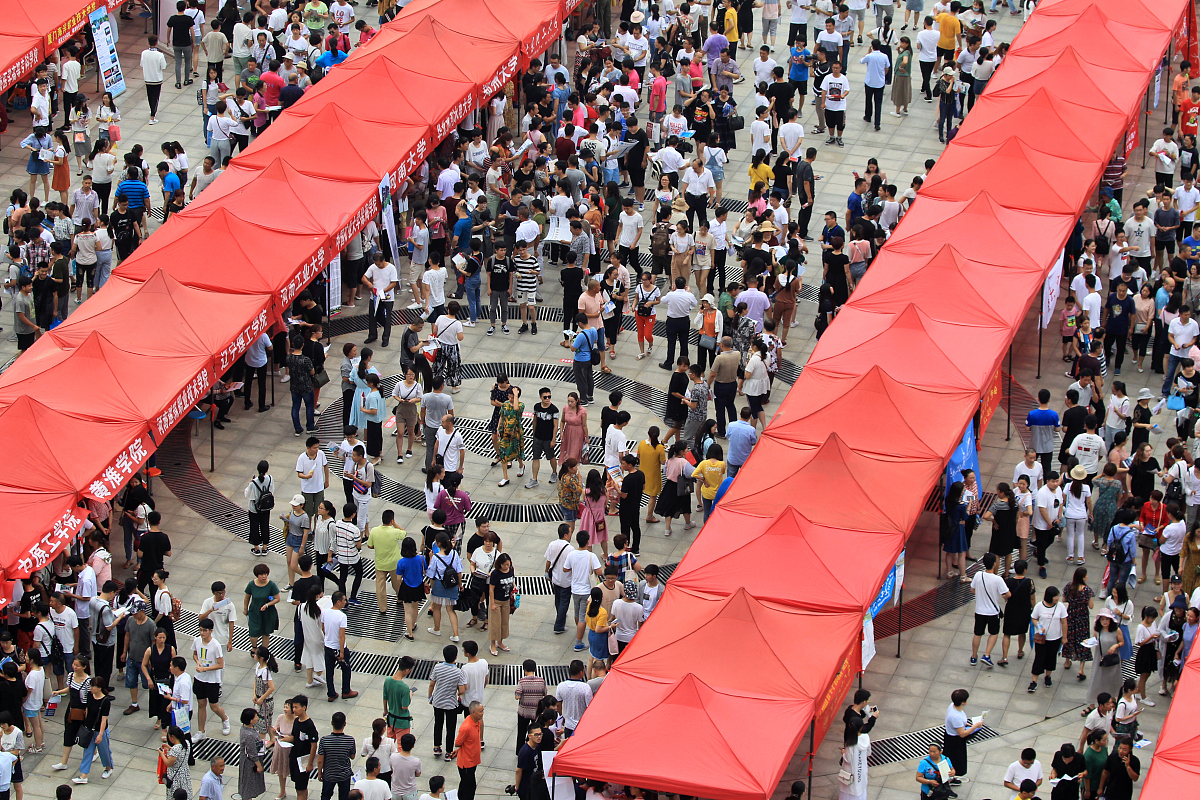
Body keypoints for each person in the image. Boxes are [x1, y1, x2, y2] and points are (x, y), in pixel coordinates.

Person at [190, 618, 230, 740]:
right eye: (201, 630)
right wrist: (198, 662)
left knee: (214, 706)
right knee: (201, 703)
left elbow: (220, 664)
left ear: (211, 631)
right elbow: (195, 654)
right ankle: (201, 731)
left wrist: (205, 669)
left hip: (212, 680)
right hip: (199, 678)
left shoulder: (215, 645)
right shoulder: (197, 641)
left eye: (205, 630)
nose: (202, 633)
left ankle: (225, 719)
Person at [427, 644, 467, 760]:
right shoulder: (459, 672)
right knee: (450, 728)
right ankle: (448, 752)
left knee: (438, 724)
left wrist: (430, 697)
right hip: (451, 704)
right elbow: (462, 690)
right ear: (456, 657)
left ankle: (436, 747)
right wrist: (459, 693)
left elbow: (432, 684)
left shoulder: (437, 667)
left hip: (437, 701)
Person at [1029, 585, 1068, 693]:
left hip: (1055, 638)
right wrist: (1039, 626)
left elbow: (1064, 622)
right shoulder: (1039, 606)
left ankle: (1048, 676)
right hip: (1041, 638)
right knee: (1039, 658)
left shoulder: (1060, 607)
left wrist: (1065, 637)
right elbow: (1034, 618)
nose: (1057, 598)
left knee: (1051, 657)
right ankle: (1034, 681)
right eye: (1056, 597)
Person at [321, 592, 357, 703]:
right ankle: (346, 690)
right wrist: (342, 651)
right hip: (338, 648)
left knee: (329, 670)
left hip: (328, 646)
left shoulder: (325, 612)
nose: (345, 602)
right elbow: (341, 636)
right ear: (338, 602)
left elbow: (323, 627)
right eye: (344, 600)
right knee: (346, 669)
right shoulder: (342, 616)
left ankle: (331, 693)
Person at [943, 689, 984, 783]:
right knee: (954, 762)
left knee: (951, 761)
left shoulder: (952, 707)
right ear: (963, 702)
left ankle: (950, 779)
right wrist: (975, 726)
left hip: (950, 736)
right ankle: (947, 783)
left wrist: (966, 725)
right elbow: (962, 734)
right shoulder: (956, 716)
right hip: (955, 741)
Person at [316, 711, 356, 800]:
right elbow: (352, 756)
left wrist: (319, 773)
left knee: (325, 796)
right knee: (344, 797)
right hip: (344, 775)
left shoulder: (324, 740)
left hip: (329, 774)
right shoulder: (350, 740)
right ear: (344, 724)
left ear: (332, 723)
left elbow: (320, 760)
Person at [1097, 736, 1140, 800]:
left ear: (1130, 749)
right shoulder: (1112, 757)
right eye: (1120, 748)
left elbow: (1135, 778)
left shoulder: (1134, 761)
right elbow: (1105, 772)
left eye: (1124, 749)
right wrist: (1101, 788)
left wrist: (1128, 766)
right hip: (1111, 792)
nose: (1121, 751)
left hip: (1125, 794)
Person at [838, 717, 871, 800]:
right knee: (860, 789)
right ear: (861, 727)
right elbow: (868, 752)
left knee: (850, 791)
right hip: (861, 770)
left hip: (851, 772)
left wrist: (843, 753)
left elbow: (848, 759)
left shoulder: (851, 743)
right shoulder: (866, 737)